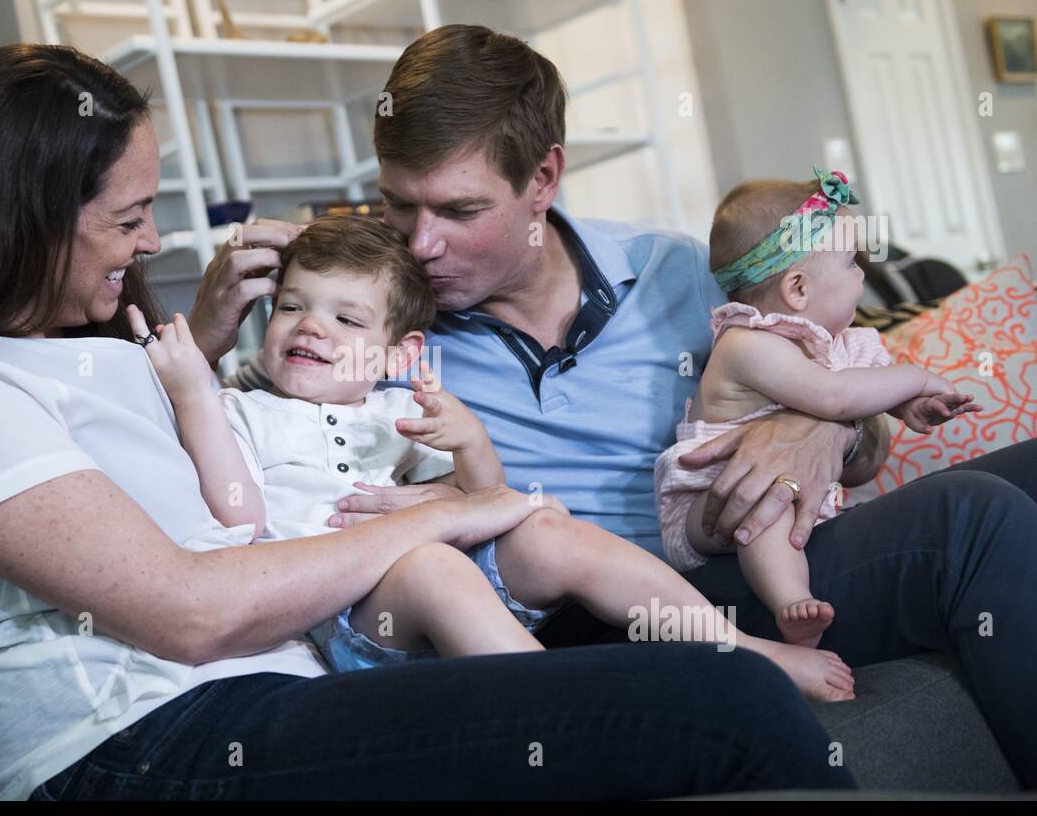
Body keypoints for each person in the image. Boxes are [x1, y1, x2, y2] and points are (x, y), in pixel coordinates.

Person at [0, 43, 850, 801]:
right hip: (137, 749)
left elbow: (215, 460)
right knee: (724, 704)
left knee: (707, 684)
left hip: (269, 689)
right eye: (128, 217)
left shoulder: (83, 344)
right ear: (29, 219)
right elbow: (185, 610)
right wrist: (439, 517)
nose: (148, 241)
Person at [200, 25, 1037, 786]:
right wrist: (205, 334)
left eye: (458, 210)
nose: (421, 244)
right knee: (975, 513)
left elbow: (863, 420)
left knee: (996, 500)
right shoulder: (375, 325)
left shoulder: (676, 273)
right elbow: (228, 446)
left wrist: (822, 423)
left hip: (749, 565)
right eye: (398, 203)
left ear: (544, 178)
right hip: (572, 621)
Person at [138, 215, 854, 698]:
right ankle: (568, 718)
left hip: (453, 587)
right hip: (345, 620)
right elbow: (241, 518)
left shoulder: (401, 413)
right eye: (292, 308)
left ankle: (743, 650)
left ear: (398, 353)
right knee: (432, 566)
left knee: (544, 529)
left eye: (345, 317)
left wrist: (473, 447)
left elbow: (488, 503)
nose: (312, 328)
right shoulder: (242, 410)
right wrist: (195, 395)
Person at [654, 169, 982, 647]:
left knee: (789, 502)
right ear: (798, 289)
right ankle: (790, 602)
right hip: (708, 502)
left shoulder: (841, 343)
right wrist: (918, 376)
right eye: (851, 262)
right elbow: (835, 397)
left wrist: (912, 403)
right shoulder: (747, 344)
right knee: (768, 506)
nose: (863, 273)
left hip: (786, 491)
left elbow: (865, 392)